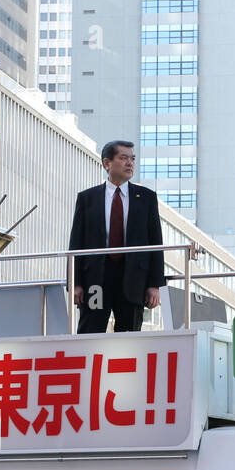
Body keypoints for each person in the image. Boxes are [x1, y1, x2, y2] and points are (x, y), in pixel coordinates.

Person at [67, 140, 167, 334]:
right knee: (90, 332)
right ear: (107, 163)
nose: (130, 163)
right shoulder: (88, 198)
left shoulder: (146, 198)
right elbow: (76, 243)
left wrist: (155, 285)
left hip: (133, 278)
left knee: (129, 337)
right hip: (96, 278)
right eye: (123, 158)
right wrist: (75, 283)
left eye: (132, 159)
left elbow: (155, 243)